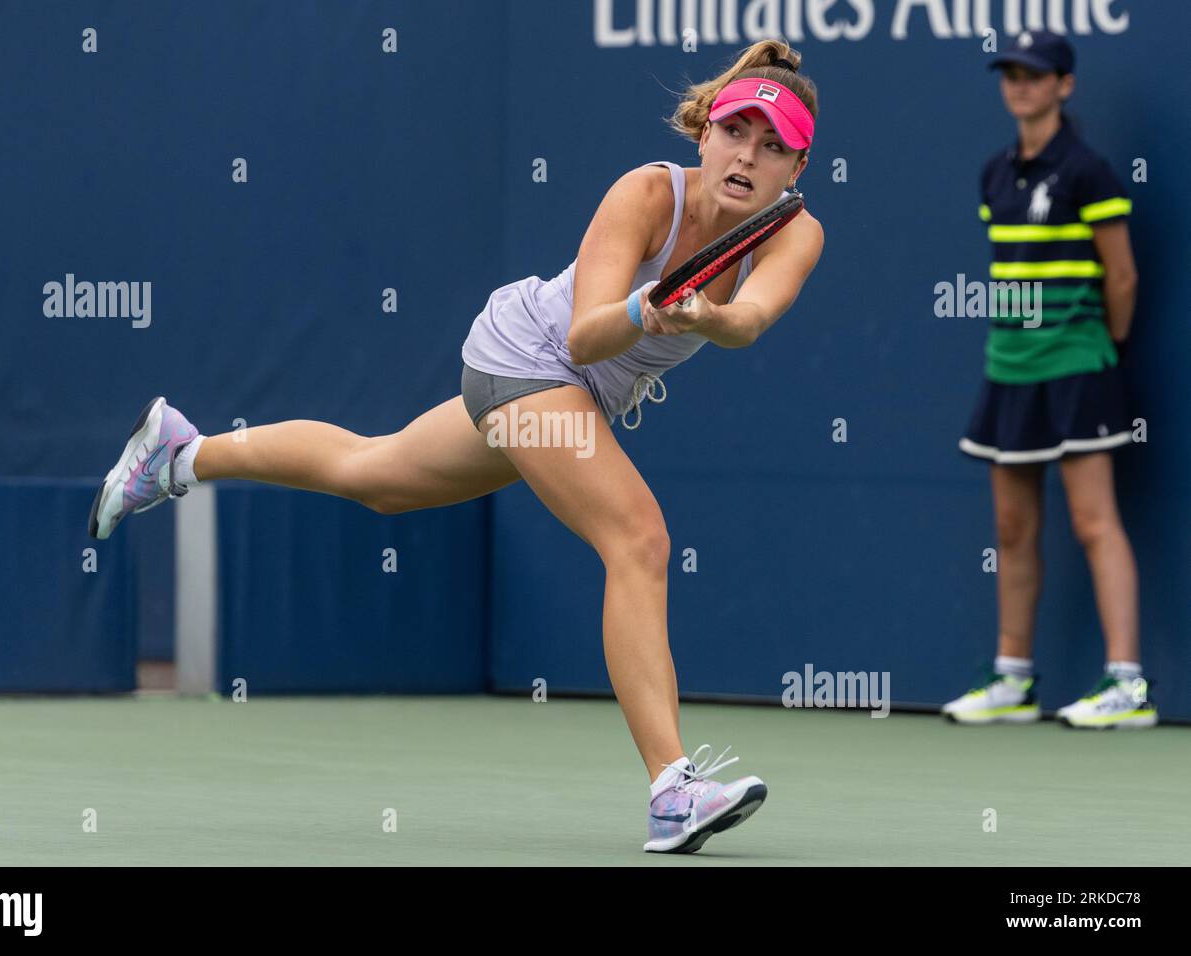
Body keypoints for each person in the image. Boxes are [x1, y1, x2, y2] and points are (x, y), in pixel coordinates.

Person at [88, 39, 825, 851]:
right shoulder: (648, 193)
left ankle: (179, 454)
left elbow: (748, 322)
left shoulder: (794, 234)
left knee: (375, 474)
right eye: (736, 132)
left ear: (796, 168)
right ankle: (671, 790)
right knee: (639, 539)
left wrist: (708, 318)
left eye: (773, 146)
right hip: (529, 360)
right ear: (704, 134)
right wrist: (647, 312)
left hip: (576, 396)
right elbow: (584, 337)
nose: (748, 155)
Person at [942, 31, 1155, 729]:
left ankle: (1126, 686)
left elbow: (1121, 275)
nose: (1020, 85)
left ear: (1065, 85)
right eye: (1011, 74)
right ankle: (1013, 679)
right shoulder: (993, 174)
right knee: (1011, 526)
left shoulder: (1089, 170)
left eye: (1035, 75)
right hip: (1009, 369)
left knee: (1094, 521)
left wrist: (1100, 346)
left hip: (1078, 365)